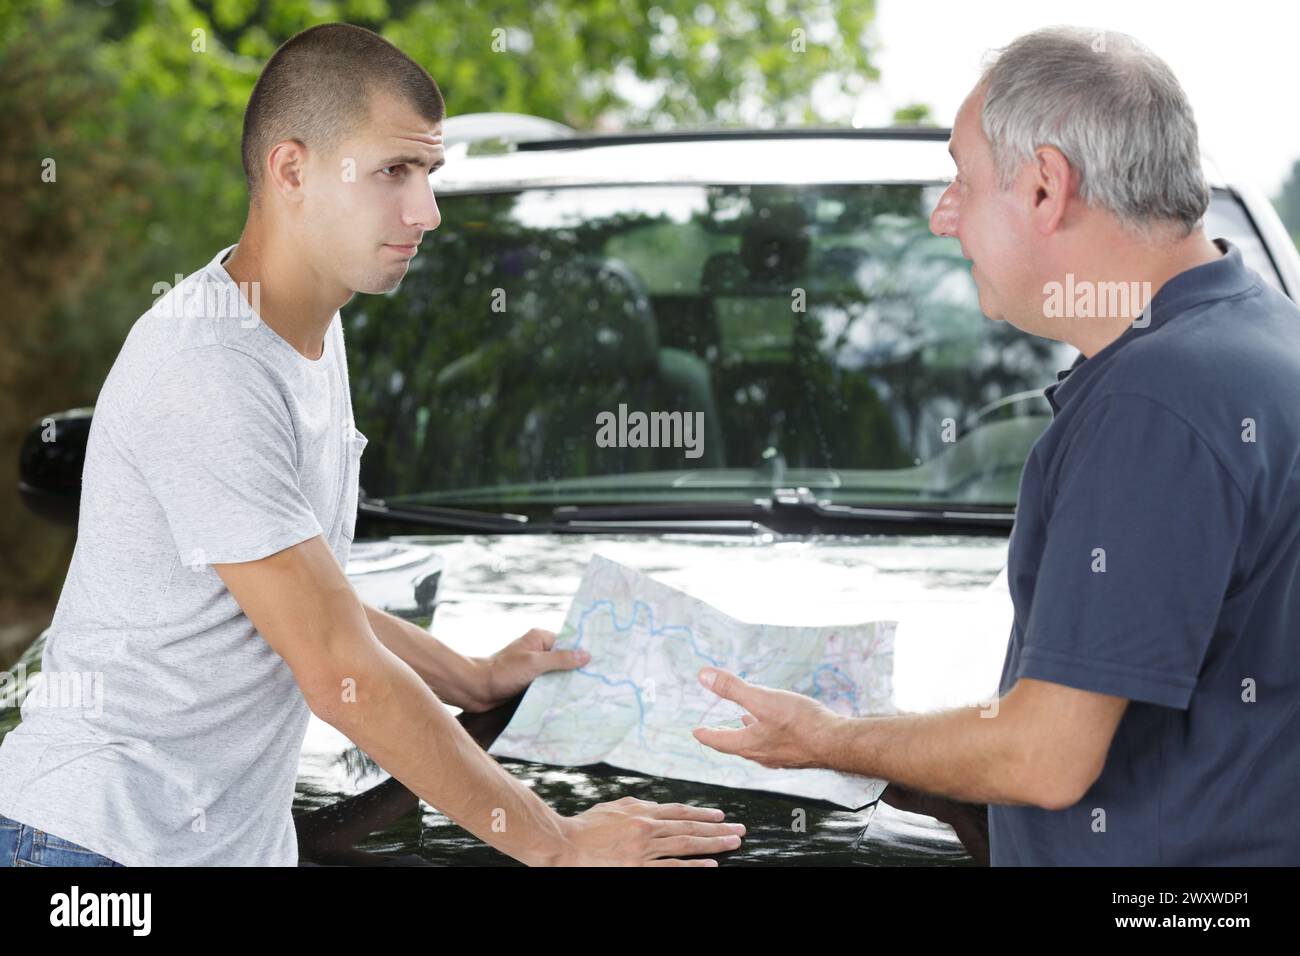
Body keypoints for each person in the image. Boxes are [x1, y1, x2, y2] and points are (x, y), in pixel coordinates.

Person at [0, 22, 743, 867]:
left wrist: (468, 676)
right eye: (394, 171)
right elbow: (334, 665)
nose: (424, 211)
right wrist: (557, 842)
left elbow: (312, 601)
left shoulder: (313, 323)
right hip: (91, 851)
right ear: (292, 170)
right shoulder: (206, 368)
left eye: (429, 174)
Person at [693, 25, 1300, 865]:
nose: (943, 217)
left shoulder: (1156, 403)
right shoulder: (1259, 340)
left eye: (961, 179)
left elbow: (1044, 756)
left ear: (1047, 188)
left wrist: (830, 739)